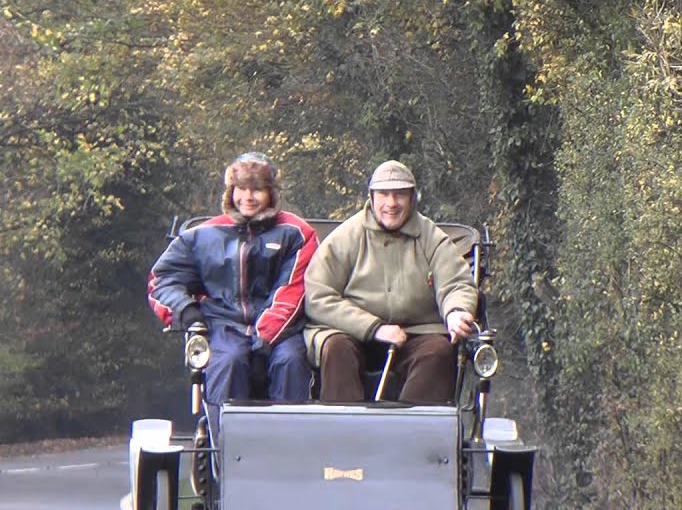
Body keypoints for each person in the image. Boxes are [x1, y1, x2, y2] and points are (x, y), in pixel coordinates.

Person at [147, 152, 319, 415]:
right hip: (223, 327)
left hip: (284, 333)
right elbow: (161, 281)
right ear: (231, 191)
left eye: (257, 189)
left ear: (271, 192)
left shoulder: (297, 233)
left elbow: (293, 290)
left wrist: (265, 335)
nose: (248, 197)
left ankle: (289, 449)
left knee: (291, 361)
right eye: (241, 189)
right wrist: (186, 310)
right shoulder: (202, 235)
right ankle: (227, 449)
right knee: (227, 361)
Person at [304, 160, 478, 404]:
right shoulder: (345, 237)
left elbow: (456, 283)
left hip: (416, 333)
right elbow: (319, 296)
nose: (391, 203)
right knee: (335, 348)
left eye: (400, 195)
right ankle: (343, 434)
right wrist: (374, 328)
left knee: (438, 351)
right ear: (371, 198)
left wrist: (456, 312)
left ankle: (412, 435)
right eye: (383, 194)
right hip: (350, 333)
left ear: (412, 198)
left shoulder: (432, 237)